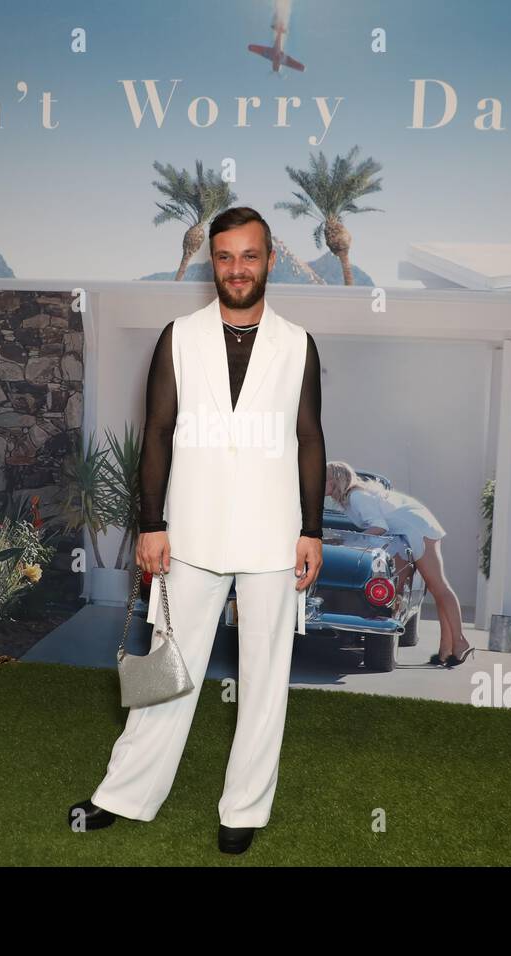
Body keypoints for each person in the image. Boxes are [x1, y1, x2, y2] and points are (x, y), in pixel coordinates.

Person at [68, 207, 326, 854]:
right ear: (214, 262)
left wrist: (313, 529)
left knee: (266, 678)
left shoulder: (298, 343)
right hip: (190, 532)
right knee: (169, 669)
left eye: (249, 255)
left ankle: (243, 810)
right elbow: (156, 434)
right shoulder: (178, 336)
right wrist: (151, 525)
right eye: (225, 257)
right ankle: (123, 794)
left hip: (274, 535)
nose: (237, 268)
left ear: (270, 261)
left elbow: (309, 438)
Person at [325, 460, 473, 668]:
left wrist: (350, 541)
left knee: (439, 587)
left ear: (335, 480)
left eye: (323, 479)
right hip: (413, 526)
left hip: (417, 527)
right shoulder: (351, 498)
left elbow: (379, 527)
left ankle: (460, 641)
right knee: (436, 589)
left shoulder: (357, 496)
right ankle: (446, 650)